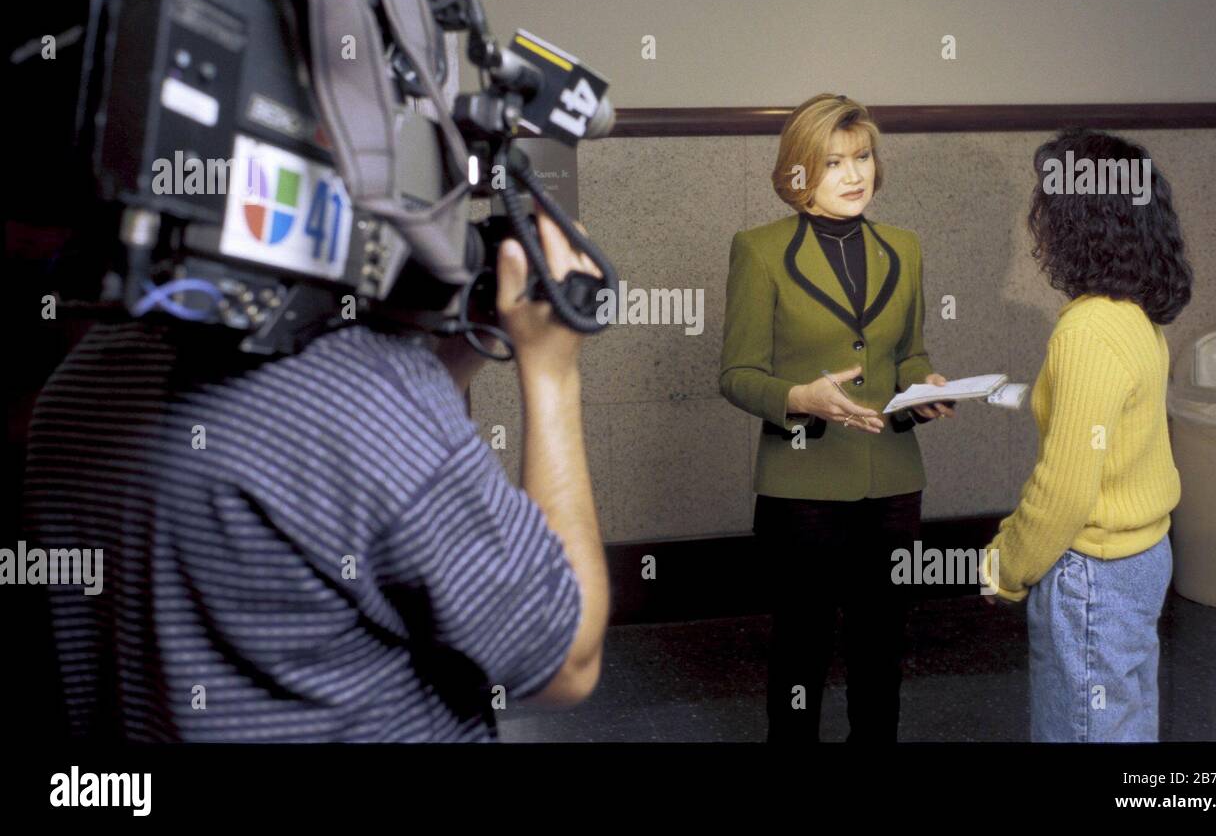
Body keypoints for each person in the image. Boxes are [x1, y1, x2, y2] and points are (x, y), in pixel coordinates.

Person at [22, 211, 610, 742]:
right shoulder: (367, 393)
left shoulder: (80, 379)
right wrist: (552, 373)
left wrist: (461, 351)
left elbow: (364, 498)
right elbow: (566, 663)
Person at [719, 93, 955, 743]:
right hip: (804, 487)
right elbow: (737, 374)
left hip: (893, 483)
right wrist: (801, 398)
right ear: (797, 172)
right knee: (801, 650)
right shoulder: (759, 250)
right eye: (832, 163)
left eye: (863, 157)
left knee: (882, 648)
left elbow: (909, 353)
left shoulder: (903, 248)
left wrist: (925, 385)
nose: (855, 175)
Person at [981, 128, 1191, 742]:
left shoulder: (1085, 330)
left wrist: (1005, 566)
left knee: (1084, 730)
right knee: (1123, 720)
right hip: (1145, 555)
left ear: (1078, 220)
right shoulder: (1134, 317)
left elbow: (1066, 490)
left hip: (1091, 572)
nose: (1037, 216)